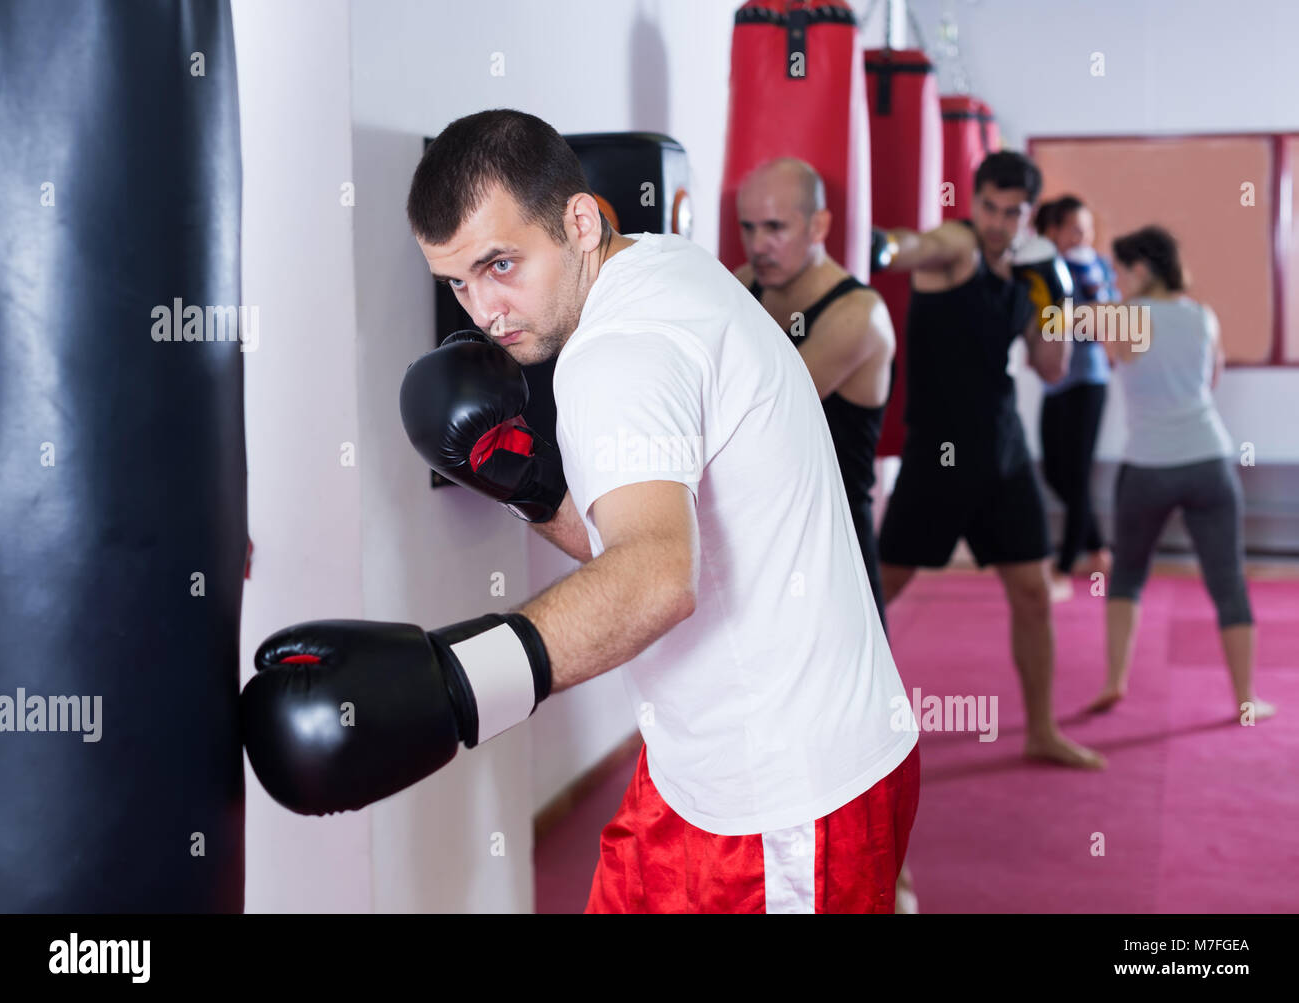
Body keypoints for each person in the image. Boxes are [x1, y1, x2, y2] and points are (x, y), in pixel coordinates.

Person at [241, 109, 920, 913]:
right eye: (457, 282)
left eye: (500, 264)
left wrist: (455, 684)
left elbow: (658, 576)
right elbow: (636, 543)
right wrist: (527, 483)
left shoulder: (616, 354)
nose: (484, 311)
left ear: (580, 221)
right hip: (703, 765)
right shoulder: (661, 262)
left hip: (782, 800)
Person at [872, 150, 1105, 769]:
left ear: (1029, 215)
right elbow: (914, 248)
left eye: (1011, 213)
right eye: (989, 208)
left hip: (1002, 450)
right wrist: (880, 247)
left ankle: (1041, 730)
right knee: (877, 589)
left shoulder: (1027, 277)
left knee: (1032, 592)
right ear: (973, 202)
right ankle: (837, 730)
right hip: (936, 454)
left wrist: (1054, 297)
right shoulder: (958, 248)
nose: (997, 222)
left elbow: (1051, 369)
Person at [1087, 225, 1275, 721]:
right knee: (1228, 581)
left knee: (1127, 576)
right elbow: (1210, 381)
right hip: (1207, 459)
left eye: (1119, 271)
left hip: (1146, 466)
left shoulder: (1123, 317)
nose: (1116, 280)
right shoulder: (1201, 316)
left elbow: (1072, 333)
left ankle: (1115, 680)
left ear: (1140, 269)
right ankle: (1246, 698)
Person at [733, 157, 895, 632]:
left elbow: (761, 415)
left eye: (775, 228)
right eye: (748, 227)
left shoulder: (858, 314)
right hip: (762, 537)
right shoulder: (742, 286)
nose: (758, 246)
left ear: (818, 225)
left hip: (835, 544)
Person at [1035, 195, 1115, 601]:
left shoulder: (1096, 267)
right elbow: (1043, 323)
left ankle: (1063, 567)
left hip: (1088, 379)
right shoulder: (1043, 268)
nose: (1085, 237)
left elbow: (1105, 323)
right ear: (1053, 232)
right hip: (1054, 382)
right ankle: (1098, 548)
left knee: (1078, 473)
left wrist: (1089, 287)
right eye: (1076, 229)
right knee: (1054, 470)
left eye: (1088, 229)